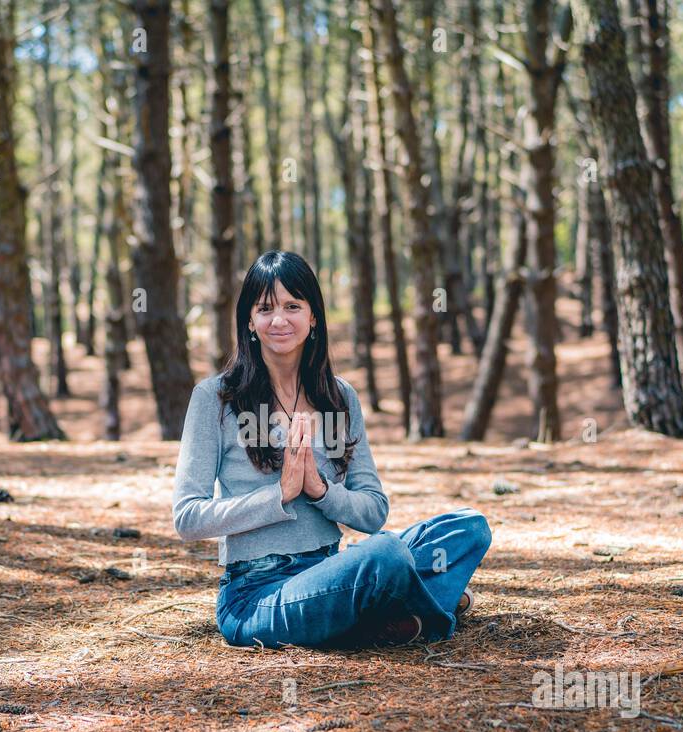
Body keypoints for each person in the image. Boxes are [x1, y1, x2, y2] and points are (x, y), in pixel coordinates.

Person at [172, 250, 492, 649]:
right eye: (265, 308)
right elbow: (187, 518)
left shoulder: (340, 398)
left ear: (313, 317)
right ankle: (423, 611)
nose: (279, 320)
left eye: (293, 306)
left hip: (334, 570)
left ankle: (380, 614)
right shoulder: (216, 399)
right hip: (258, 597)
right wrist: (280, 495)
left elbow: (374, 511)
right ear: (249, 321)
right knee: (386, 557)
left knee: (467, 528)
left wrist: (321, 492)